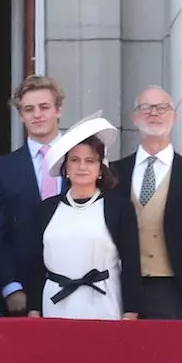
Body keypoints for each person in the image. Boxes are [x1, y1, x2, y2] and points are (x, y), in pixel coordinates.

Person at [108, 86, 182, 320]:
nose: (154, 112)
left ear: (174, 116)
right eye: (146, 107)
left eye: (162, 107)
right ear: (135, 117)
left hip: (177, 288)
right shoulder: (114, 173)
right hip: (122, 286)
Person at [20, 118, 140, 320]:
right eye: (74, 160)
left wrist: (131, 312)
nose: (82, 167)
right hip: (55, 305)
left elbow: (131, 263)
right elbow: (36, 263)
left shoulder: (118, 208)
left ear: (101, 168)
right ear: (65, 168)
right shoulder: (47, 209)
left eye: (90, 160)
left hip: (104, 305)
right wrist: (34, 308)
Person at [0, 75, 66, 315]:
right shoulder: (4, 167)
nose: (37, 115)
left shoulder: (81, 161)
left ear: (58, 110)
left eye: (44, 107)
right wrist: (10, 286)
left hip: (75, 284)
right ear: (21, 115)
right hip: (23, 289)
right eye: (28, 109)